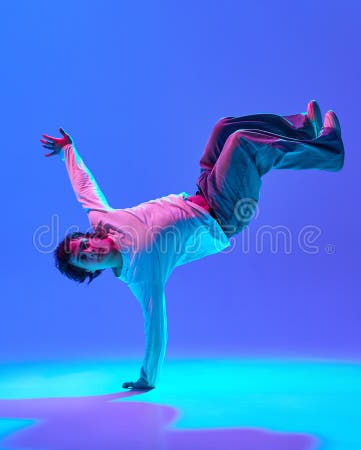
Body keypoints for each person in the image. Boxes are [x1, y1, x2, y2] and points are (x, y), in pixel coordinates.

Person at [40, 100, 344, 390]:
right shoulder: (141, 272)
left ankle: (302, 129)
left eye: (84, 245)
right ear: (89, 271)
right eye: (84, 259)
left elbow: (84, 187)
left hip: (203, 190)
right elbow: (155, 326)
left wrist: (68, 150)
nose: (90, 252)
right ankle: (328, 153)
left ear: (89, 237)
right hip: (225, 213)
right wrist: (148, 377)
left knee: (222, 128)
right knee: (241, 143)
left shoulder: (103, 220)